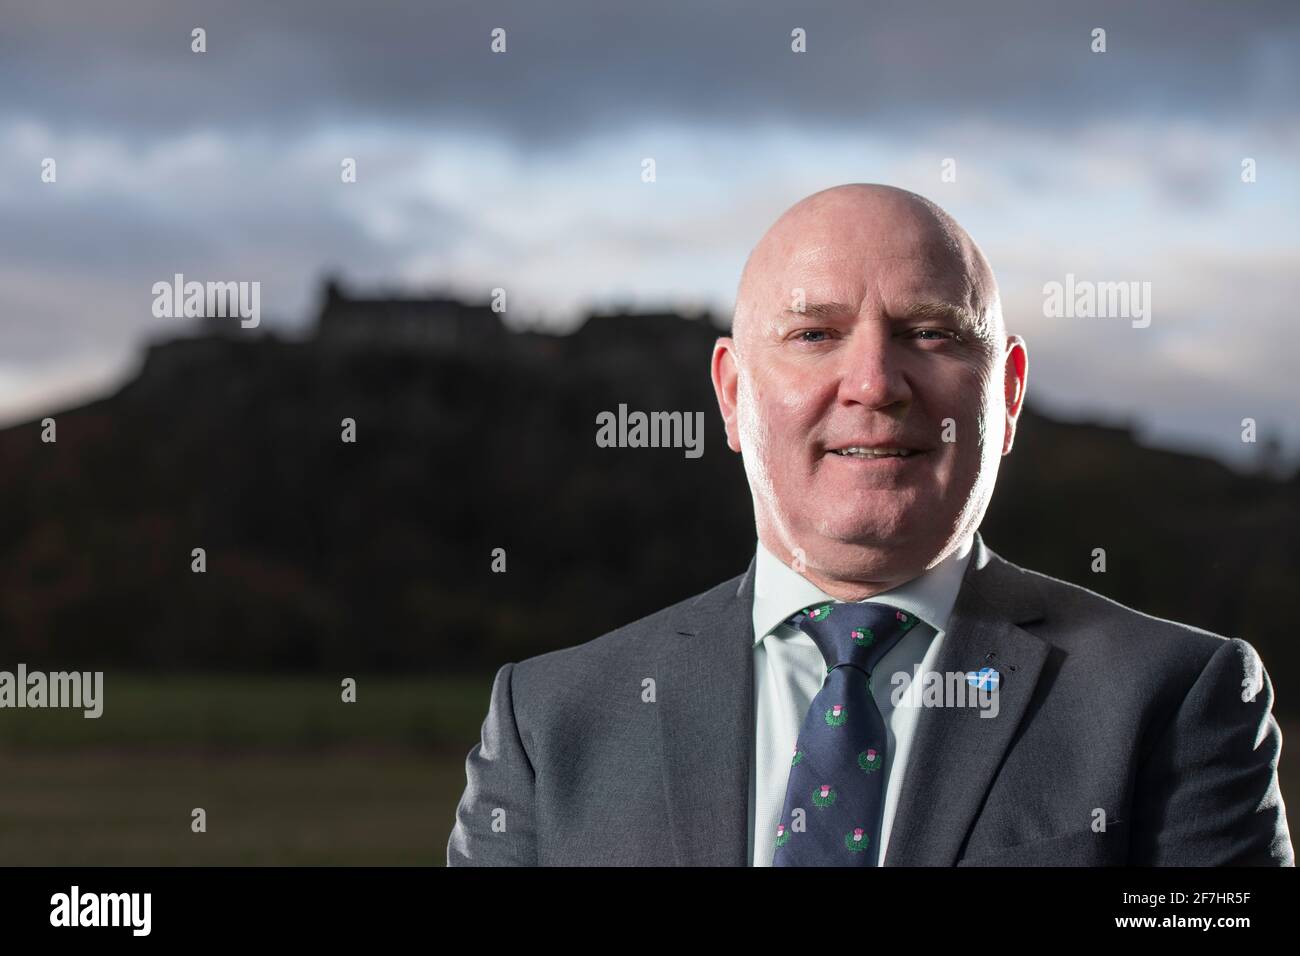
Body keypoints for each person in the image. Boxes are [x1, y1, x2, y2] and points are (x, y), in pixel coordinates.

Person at [446, 184, 1293, 866]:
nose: (874, 383)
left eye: (929, 333)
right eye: (814, 333)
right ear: (734, 395)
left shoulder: (1177, 699)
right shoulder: (549, 724)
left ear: (1006, 394)